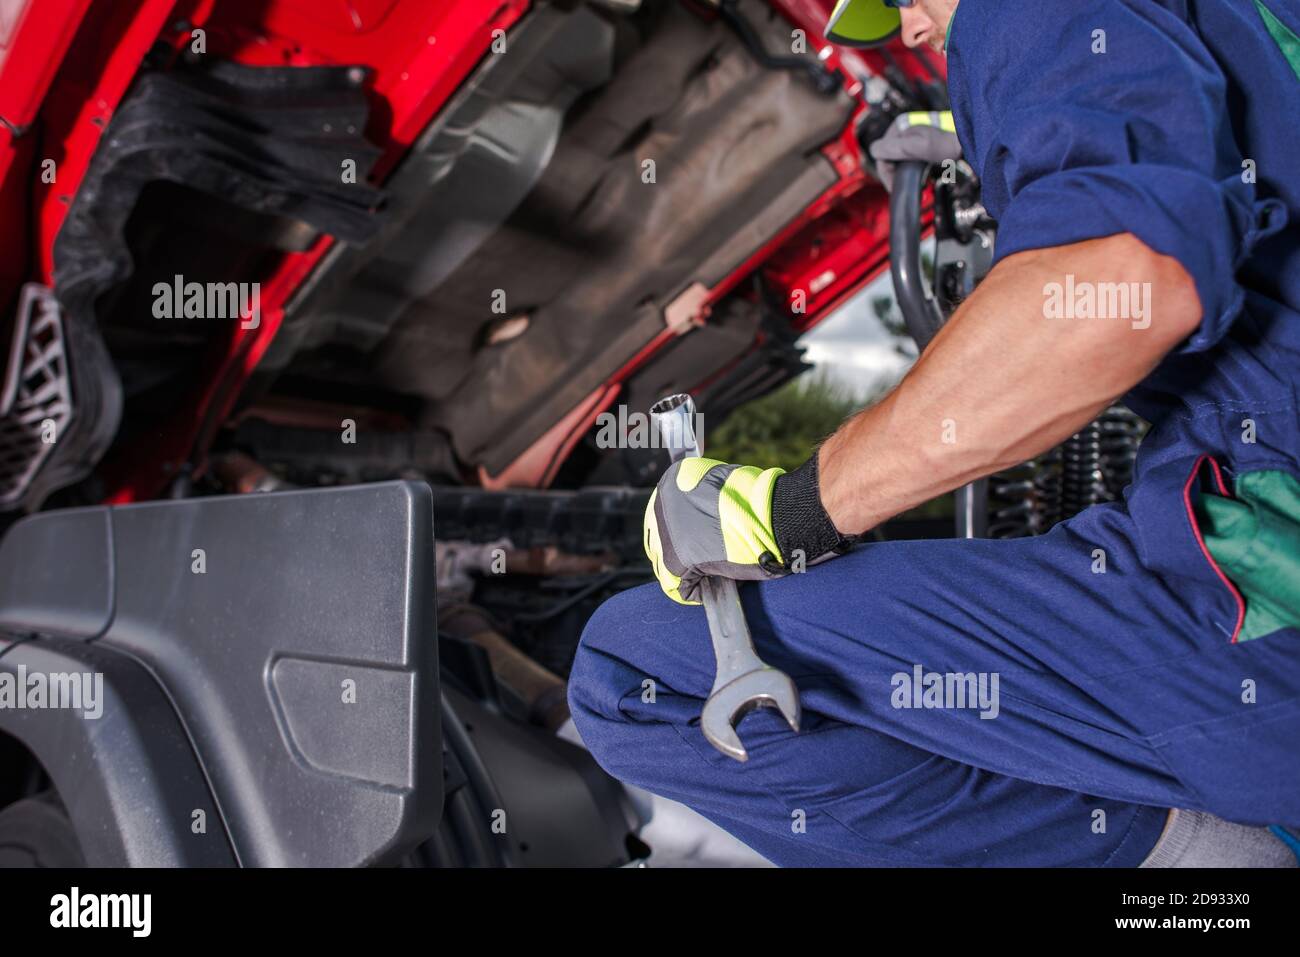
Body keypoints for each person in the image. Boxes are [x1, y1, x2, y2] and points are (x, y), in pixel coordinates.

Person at [568, 0, 1300, 866]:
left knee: (636, 671)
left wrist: (795, 510)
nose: (911, 34)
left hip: (1272, 591)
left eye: (898, 2)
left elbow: (1127, 273)